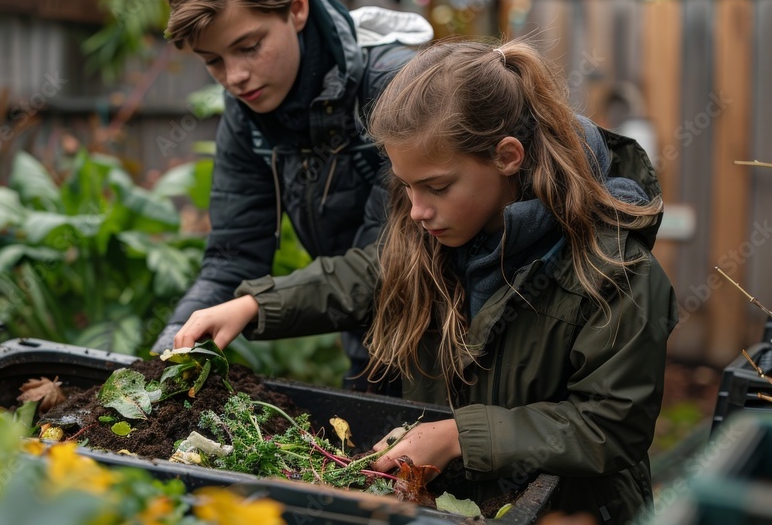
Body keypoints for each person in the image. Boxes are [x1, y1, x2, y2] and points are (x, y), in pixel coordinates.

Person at [173, 39, 678, 524]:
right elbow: (369, 273)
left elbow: (609, 426)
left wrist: (459, 436)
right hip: (451, 501)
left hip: (569, 511)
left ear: (507, 157)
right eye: (406, 186)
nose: (416, 209)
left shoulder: (615, 271)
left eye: (436, 186)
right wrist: (255, 305)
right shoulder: (443, 228)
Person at [153, 0, 433, 394]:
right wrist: (170, 351)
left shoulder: (393, 89)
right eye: (213, 61)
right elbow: (234, 255)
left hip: (455, 343)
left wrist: (254, 305)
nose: (234, 77)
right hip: (373, 345)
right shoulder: (247, 118)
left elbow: (393, 259)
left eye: (248, 47)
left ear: (297, 8)